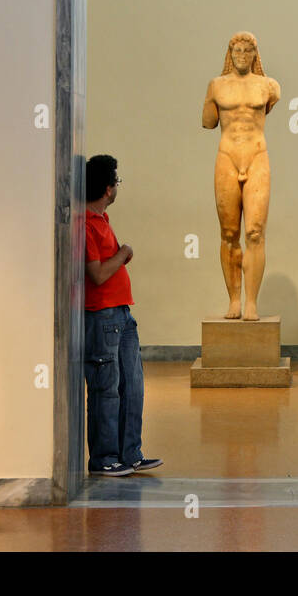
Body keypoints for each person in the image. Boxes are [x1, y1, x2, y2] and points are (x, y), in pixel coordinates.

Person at [83, 154, 162, 477]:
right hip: (103, 316)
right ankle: (104, 457)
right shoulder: (86, 225)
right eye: (116, 182)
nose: (117, 187)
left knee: (133, 387)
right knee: (107, 389)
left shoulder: (102, 221)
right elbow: (98, 274)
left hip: (122, 315)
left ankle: (130, 452)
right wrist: (124, 253)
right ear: (107, 188)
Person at [201, 32, 280, 320]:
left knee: (255, 232)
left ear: (255, 55)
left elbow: (270, 103)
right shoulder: (217, 86)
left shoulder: (269, 86)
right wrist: (211, 100)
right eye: (237, 51)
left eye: (248, 51)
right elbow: (208, 123)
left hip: (257, 156)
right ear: (230, 54)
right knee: (229, 233)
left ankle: (252, 302)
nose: (242, 56)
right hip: (227, 157)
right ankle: (234, 298)